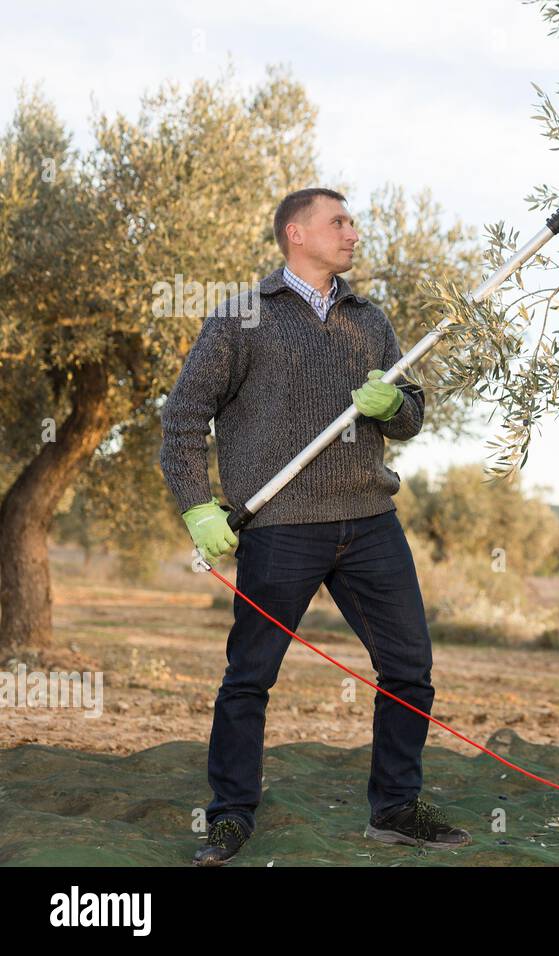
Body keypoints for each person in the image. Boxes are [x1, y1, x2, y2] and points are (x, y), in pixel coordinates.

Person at [159, 187, 470, 865]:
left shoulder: (370, 319)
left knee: (410, 669)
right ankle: (230, 814)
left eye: (352, 222)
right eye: (339, 222)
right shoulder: (242, 317)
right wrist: (197, 505)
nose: (353, 233)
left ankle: (394, 808)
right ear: (297, 234)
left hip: (369, 522)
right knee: (250, 677)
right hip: (280, 527)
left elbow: (411, 415)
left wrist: (394, 406)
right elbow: (182, 419)